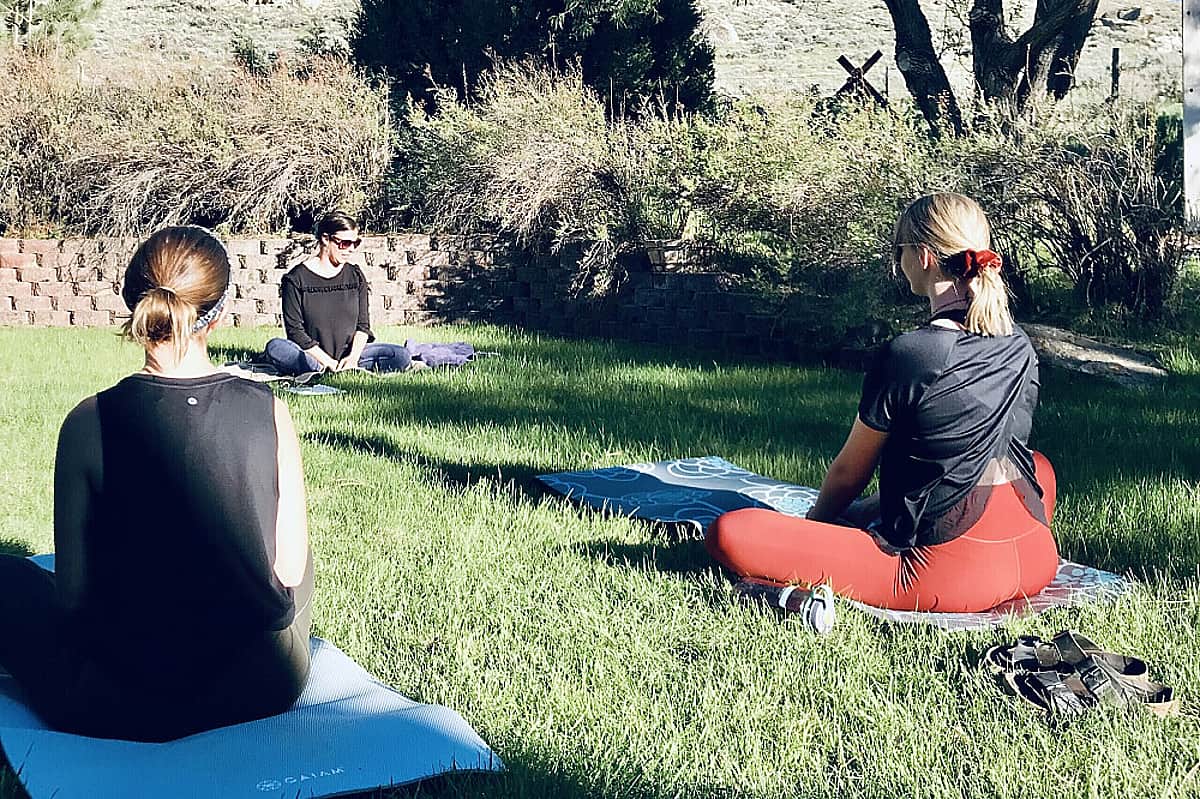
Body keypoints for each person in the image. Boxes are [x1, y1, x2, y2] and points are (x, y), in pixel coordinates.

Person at [0, 226, 313, 741]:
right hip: (261, 687)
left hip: (121, 698)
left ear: (135, 304)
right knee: (293, 551)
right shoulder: (270, 410)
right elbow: (288, 569)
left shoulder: (88, 421)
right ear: (219, 310)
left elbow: (74, 598)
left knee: (9, 580)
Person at [705, 193, 1059, 613]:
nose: (899, 262)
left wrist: (815, 531)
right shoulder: (1018, 343)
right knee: (1035, 465)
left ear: (923, 257)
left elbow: (848, 472)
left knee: (729, 532)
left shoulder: (913, 352)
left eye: (901, 251)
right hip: (1037, 556)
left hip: (950, 576)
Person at [265, 210, 413, 375]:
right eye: (344, 243)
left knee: (401, 356)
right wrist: (329, 362)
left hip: (350, 355)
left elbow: (363, 326)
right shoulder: (295, 279)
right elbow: (295, 332)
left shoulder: (355, 275)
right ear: (325, 239)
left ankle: (338, 369)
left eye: (355, 243)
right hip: (311, 355)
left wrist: (352, 358)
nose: (350, 249)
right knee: (276, 347)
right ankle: (321, 369)